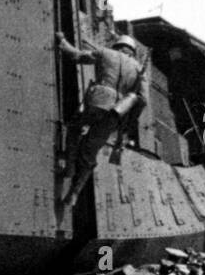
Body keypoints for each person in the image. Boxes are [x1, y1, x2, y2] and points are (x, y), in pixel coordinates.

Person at [54, 32, 144, 218]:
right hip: (118, 111)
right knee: (89, 152)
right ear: (132, 52)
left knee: (74, 127)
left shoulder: (105, 53)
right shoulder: (138, 68)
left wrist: (62, 40)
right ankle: (74, 194)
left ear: (117, 46)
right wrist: (127, 123)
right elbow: (142, 100)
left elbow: (76, 55)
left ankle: (69, 167)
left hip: (98, 101)